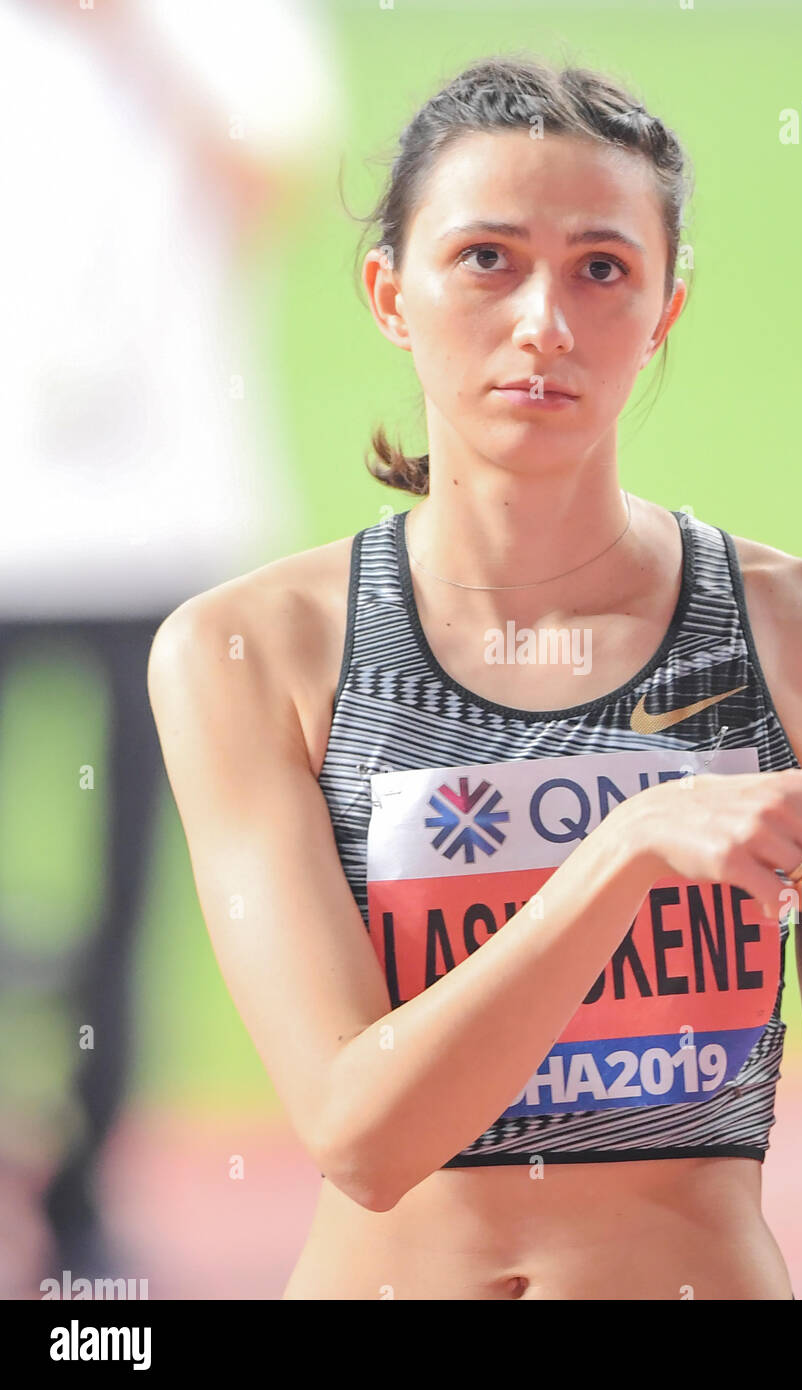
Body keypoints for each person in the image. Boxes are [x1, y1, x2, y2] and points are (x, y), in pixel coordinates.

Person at [147, 55, 802, 1300]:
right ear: (388, 292)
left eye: (602, 267)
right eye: (487, 258)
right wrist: (626, 846)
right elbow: (362, 1135)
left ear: (665, 313)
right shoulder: (249, 653)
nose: (545, 321)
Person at [0, 0, 338, 1296]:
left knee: (130, 889)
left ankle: (85, 1207)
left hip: (162, 518)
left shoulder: (227, 17)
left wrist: (126, 29)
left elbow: (263, 180)